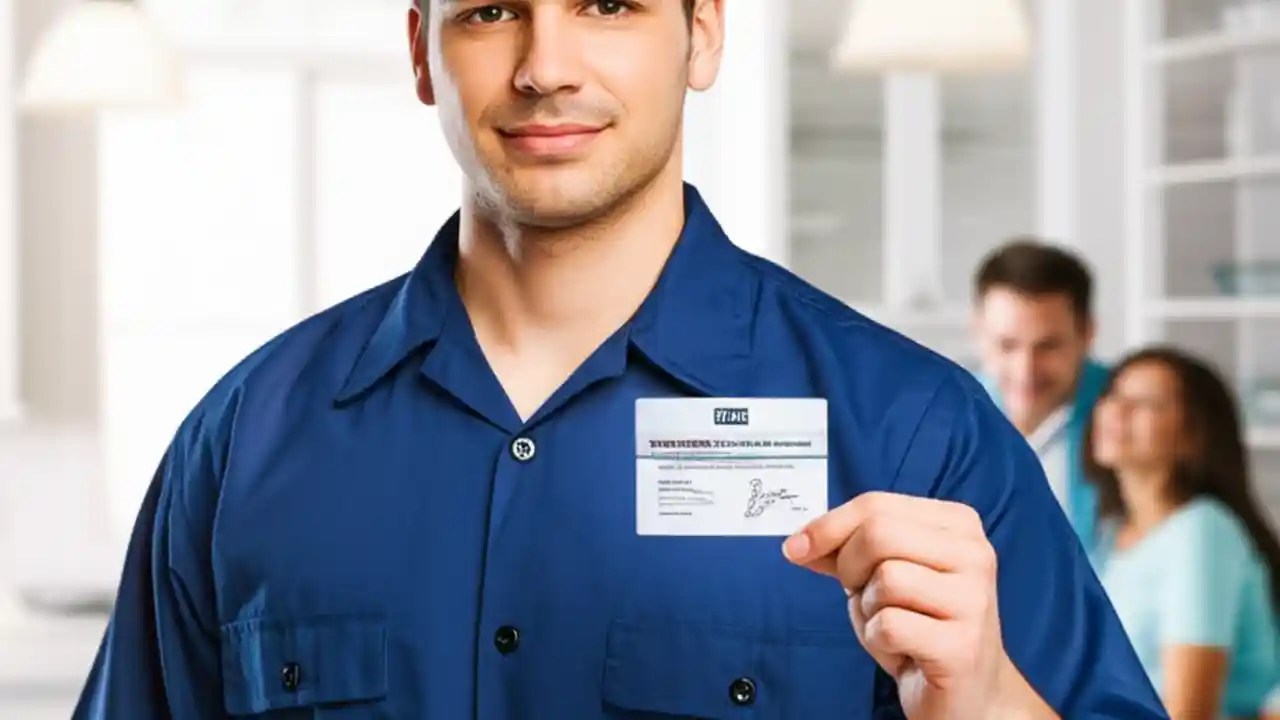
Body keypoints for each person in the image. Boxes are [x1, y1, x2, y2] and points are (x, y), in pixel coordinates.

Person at [73, 1, 1166, 718]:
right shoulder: (243, 441)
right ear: (420, 49)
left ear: (701, 35)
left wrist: (985, 699)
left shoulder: (915, 434)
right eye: (493, 10)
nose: (546, 67)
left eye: (607, 5)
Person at [1087, 347, 1280, 719]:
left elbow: (1189, 711)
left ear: (1193, 434)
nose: (1117, 412)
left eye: (1146, 403)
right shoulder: (1113, 534)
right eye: (1113, 396)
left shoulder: (1201, 533)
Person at [974, 239, 1109, 555]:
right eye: (1007, 345)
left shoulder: (1127, 416)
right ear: (978, 331)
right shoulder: (944, 419)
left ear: (1087, 333)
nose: (1025, 370)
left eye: (1048, 346)